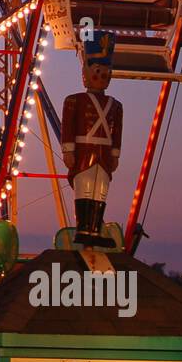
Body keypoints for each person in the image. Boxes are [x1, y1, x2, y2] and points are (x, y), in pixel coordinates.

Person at [61, 31, 123, 248]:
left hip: (103, 154)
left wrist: (115, 154)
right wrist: (68, 150)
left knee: (100, 192)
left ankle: (94, 230)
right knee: (85, 189)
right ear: (85, 74)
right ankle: (83, 229)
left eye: (106, 73)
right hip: (85, 150)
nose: (102, 76)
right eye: (98, 71)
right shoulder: (73, 101)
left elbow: (117, 133)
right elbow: (67, 127)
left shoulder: (116, 105)